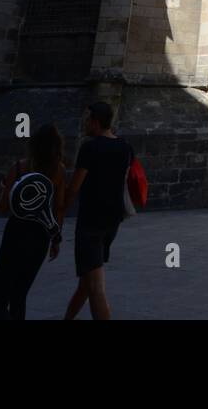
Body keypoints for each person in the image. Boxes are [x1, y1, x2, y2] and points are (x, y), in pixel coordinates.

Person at [0, 123, 66, 320]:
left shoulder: (19, 168)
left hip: (16, 233)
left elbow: (3, 207)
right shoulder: (59, 171)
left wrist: (4, 188)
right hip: (40, 237)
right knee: (19, 296)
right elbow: (59, 208)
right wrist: (56, 239)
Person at [65, 101, 135, 319]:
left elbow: (74, 188)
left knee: (95, 289)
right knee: (87, 282)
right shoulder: (125, 147)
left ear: (95, 122)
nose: (85, 123)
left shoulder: (90, 147)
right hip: (112, 222)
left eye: (88, 119)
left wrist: (57, 216)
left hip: (90, 224)